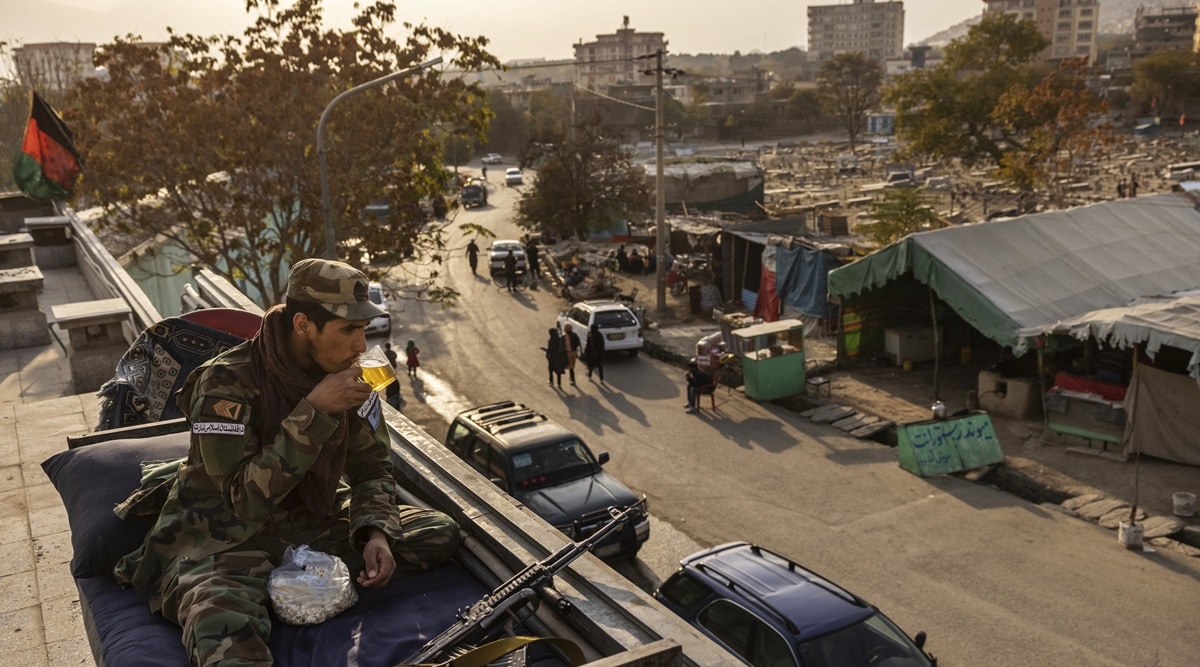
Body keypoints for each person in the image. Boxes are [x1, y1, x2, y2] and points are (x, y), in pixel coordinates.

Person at [111, 258, 461, 666]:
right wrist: (314, 412)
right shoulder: (225, 383)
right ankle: (270, 593)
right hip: (227, 538)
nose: (360, 346)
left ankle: (289, 590)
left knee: (438, 532)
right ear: (303, 325)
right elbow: (241, 500)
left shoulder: (347, 373)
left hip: (313, 522)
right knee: (219, 624)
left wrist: (375, 533)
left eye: (363, 329)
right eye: (348, 330)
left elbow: (372, 467)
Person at [384, 341, 402, 408]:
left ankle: (389, 402)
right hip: (393, 366)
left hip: (389, 367)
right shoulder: (392, 352)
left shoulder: (385, 353)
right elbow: (395, 356)